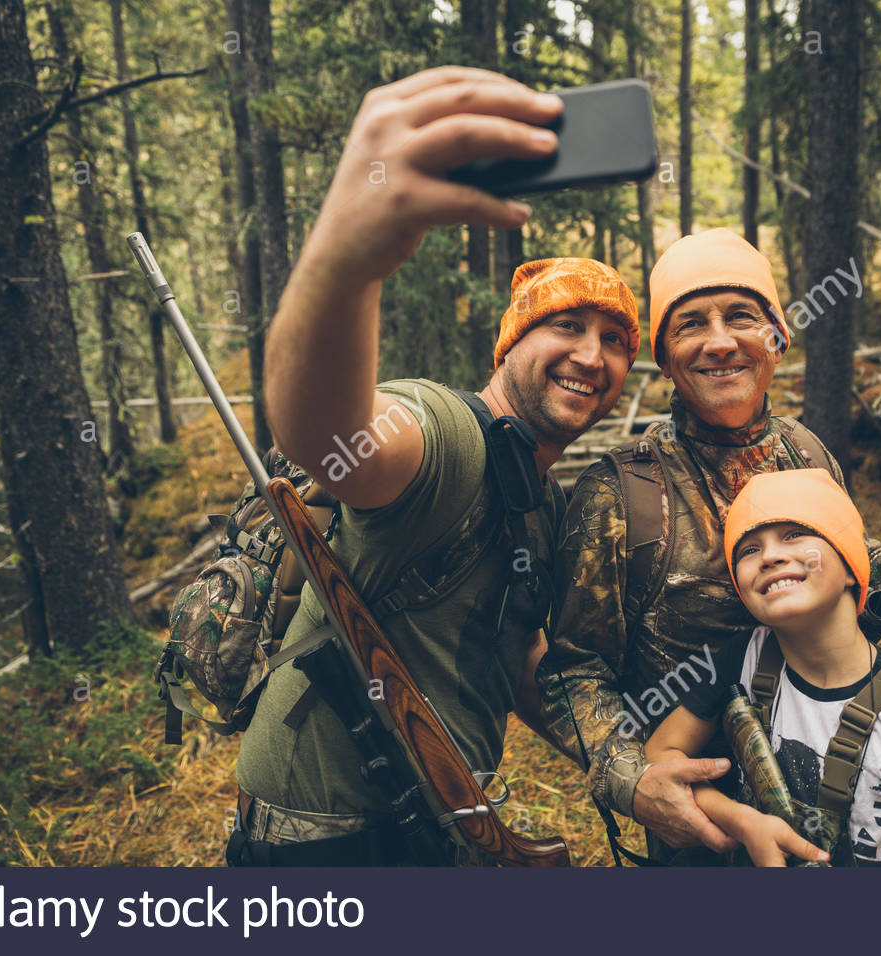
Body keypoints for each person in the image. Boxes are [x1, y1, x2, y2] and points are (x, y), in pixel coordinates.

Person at [229, 67, 640, 866]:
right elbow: (327, 439)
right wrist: (346, 266)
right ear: (511, 343)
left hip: (444, 836)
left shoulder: (545, 502)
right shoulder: (448, 434)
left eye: (618, 339)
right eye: (567, 325)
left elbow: (521, 660)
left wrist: (631, 771)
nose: (593, 355)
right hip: (325, 847)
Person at [537, 227, 881, 864]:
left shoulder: (806, 449)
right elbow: (573, 672)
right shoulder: (618, 493)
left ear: (777, 336)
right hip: (705, 832)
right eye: (689, 324)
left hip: (843, 802)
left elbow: (855, 573)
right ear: (664, 354)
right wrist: (638, 782)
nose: (719, 342)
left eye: (741, 316)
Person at [644, 468, 881, 866]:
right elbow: (662, 753)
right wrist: (743, 821)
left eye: (795, 535)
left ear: (851, 567)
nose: (770, 556)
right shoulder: (742, 659)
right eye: (749, 550)